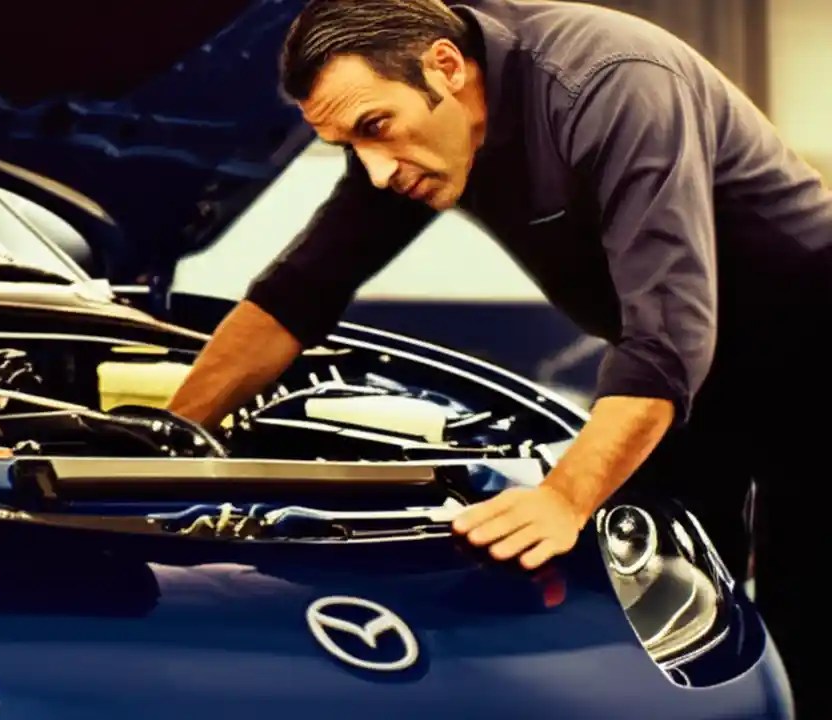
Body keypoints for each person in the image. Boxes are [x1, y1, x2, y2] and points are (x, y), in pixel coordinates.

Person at [166, 0, 830, 714]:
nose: (376, 169)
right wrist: (166, 435)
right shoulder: (411, 134)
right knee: (667, 608)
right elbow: (300, 292)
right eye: (348, 145)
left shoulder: (613, 85)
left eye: (374, 129)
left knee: (809, 617)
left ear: (446, 68)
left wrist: (562, 498)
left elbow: (667, 334)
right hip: (685, 383)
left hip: (812, 358)